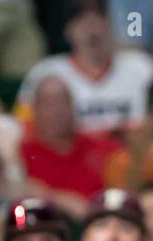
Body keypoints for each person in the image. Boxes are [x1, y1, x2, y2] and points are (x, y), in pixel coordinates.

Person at [16, 0, 153, 135]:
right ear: (67, 31)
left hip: (131, 153)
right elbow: (25, 125)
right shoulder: (46, 72)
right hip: (70, 155)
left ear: (112, 26)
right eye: (83, 22)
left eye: (99, 20)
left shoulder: (141, 67)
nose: (93, 31)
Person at [19, 75, 123, 219]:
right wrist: (57, 199)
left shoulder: (103, 149)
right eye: (47, 103)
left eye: (61, 102)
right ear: (35, 110)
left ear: (72, 106)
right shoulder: (21, 153)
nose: (56, 111)